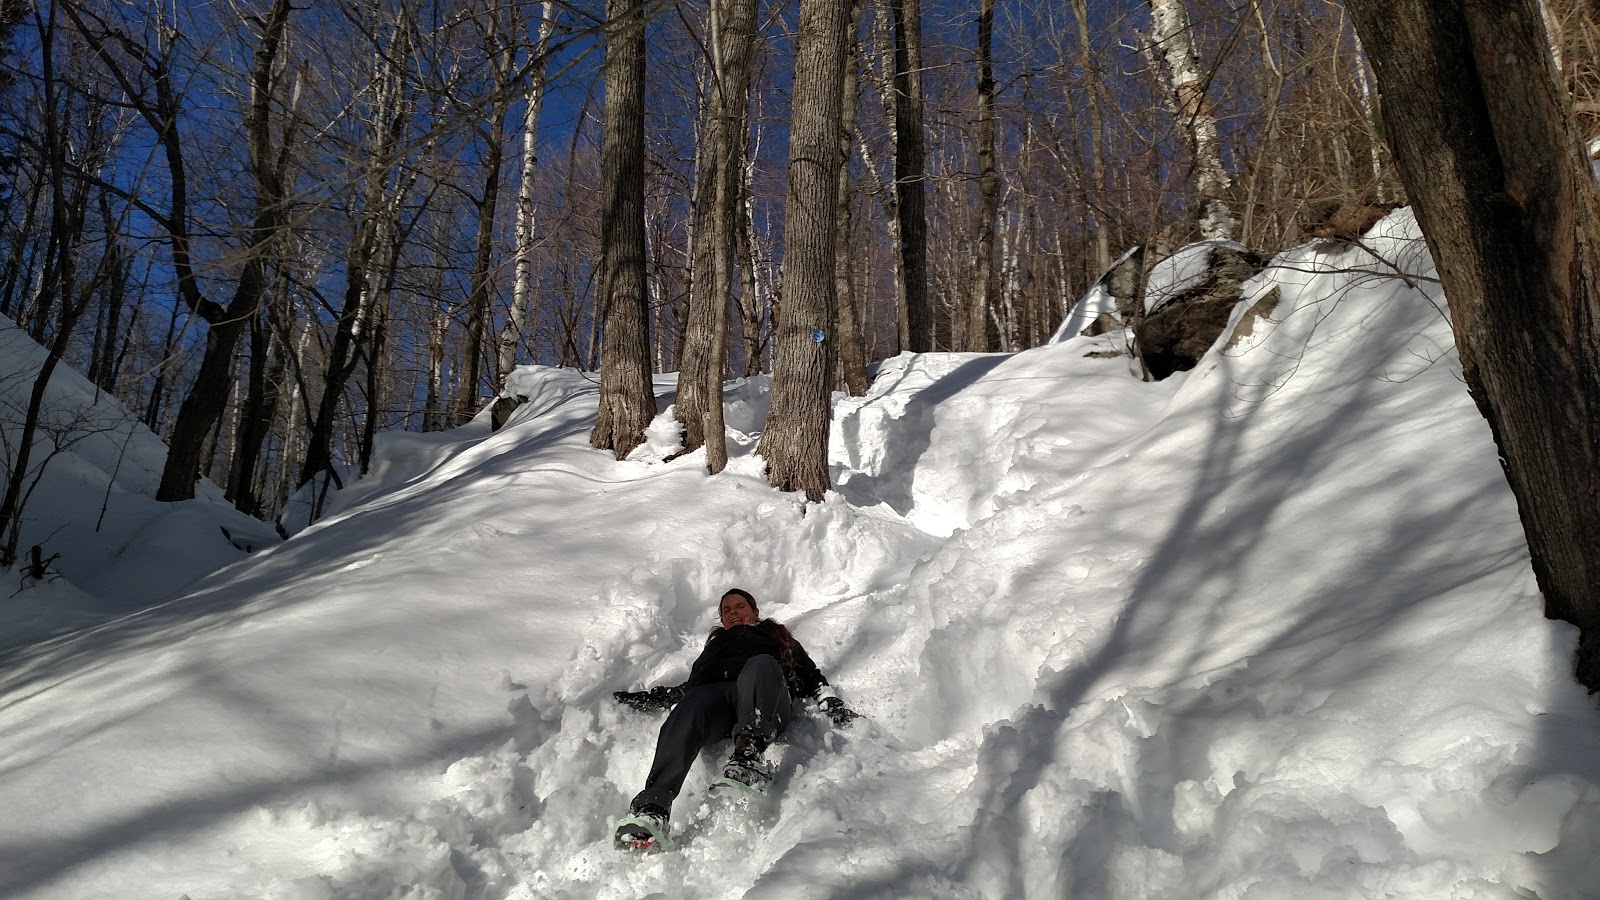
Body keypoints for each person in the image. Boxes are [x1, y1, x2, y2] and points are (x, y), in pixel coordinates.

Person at [611, 588, 858, 847]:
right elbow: (691, 687)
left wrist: (830, 702)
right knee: (692, 702)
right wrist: (653, 697)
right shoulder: (715, 647)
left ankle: (748, 755)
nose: (733, 613)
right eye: (727, 611)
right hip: (717, 702)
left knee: (760, 663)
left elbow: (812, 676)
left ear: (754, 612)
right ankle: (653, 809)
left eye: (739, 606)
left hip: (764, 696)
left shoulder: (775, 637)